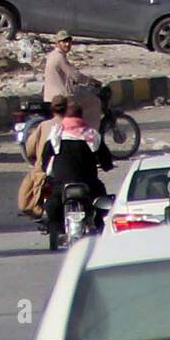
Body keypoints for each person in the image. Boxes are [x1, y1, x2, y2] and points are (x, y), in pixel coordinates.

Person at [39, 100, 113, 239]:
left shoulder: (56, 135)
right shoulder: (91, 135)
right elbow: (106, 161)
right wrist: (105, 166)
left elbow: (45, 159)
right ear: (81, 117)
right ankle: (97, 226)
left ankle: (58, 231)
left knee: (51, 203)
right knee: (102, 201)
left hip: (62, 184)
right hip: (88, 184)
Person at [43, 31, 102, 130]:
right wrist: (92, 81)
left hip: (49, 96)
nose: (67, 44)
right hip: (61, 97)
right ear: (57, 43)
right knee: (94, 102)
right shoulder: (59, 58)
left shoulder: (52, 55)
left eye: (69, 42)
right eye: (64, 42)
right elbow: (76, 76)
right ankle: (91, 132)